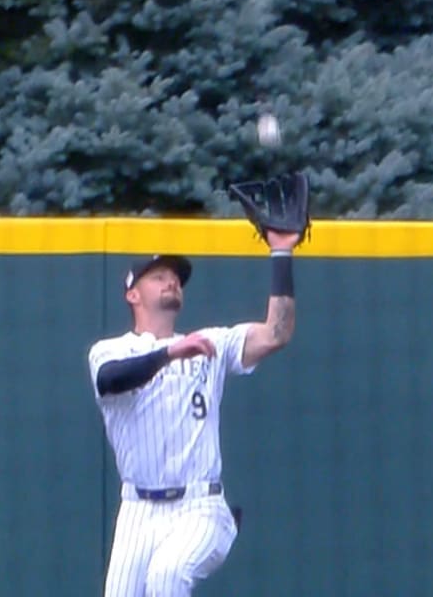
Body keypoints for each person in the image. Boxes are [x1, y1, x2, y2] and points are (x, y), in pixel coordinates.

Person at [87, 228, 302, 596]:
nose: (171, 281)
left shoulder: (209, 343)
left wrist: (281, 253)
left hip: (200, 505)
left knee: (167, 576)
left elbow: (276, 334)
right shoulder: (110, 350)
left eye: (176, 278)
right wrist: (170, 353)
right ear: (132, 294)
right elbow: (112, 379)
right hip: (138, 511)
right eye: (158, 277)